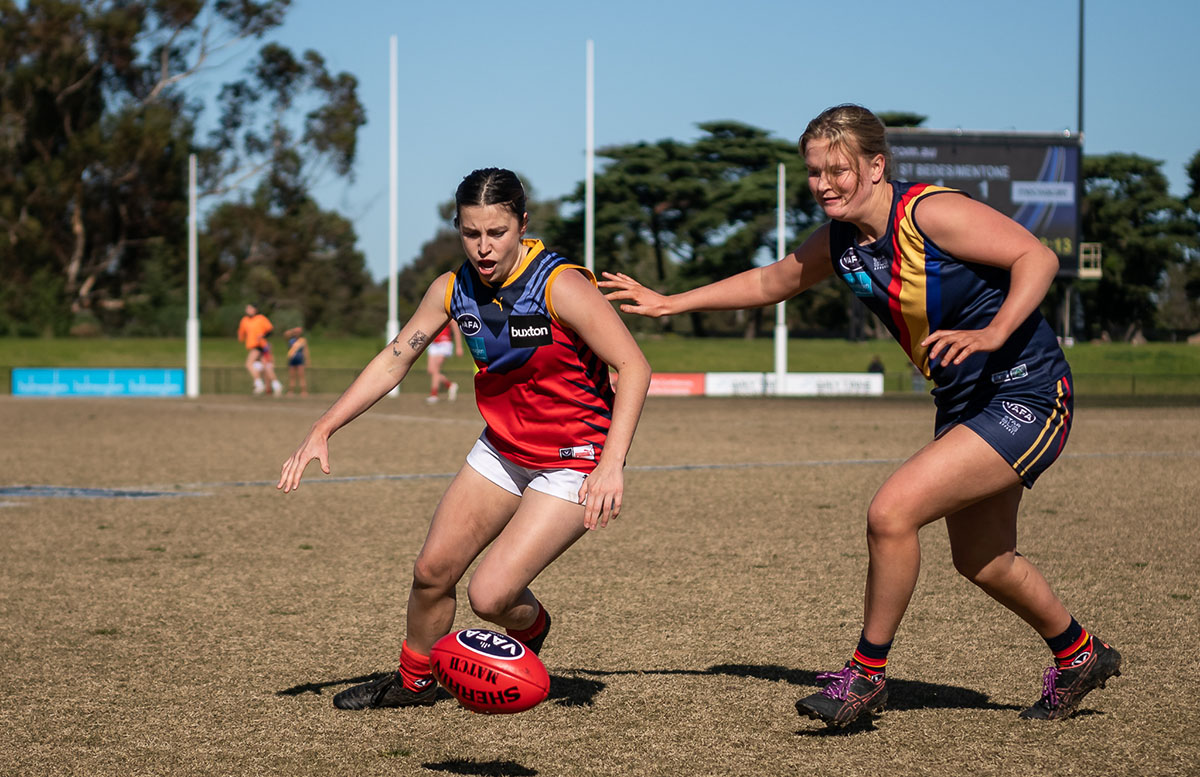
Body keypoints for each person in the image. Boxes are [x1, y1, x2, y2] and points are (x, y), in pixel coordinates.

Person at [600, 104, 1120, 727]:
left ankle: (866, 677)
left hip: (1028, 391)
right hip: (963, 403)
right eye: (815, 172)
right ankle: (1080, 655)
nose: (823, 184)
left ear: (876, 166)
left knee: (891, 513)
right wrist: (667, 304)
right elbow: (774, 281)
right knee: (983, 559)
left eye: (837, 170)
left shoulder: (929, 212)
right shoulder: (842, 239)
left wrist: (993, 332)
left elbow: (1036, 257)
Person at [277, 167, 652, 711]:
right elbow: (395, 358)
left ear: (522, 224)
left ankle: (533, 629)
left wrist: (611, 465)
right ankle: (414, 684)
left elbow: (634, 367)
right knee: (432, 572)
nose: (483, 247)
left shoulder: (561, 285)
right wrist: (323, 426)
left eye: (496, 232)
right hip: (502, 450)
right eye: (470, 233)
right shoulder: (452, 290)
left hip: (574, 460)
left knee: (490, 597)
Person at [237, 304, 283, 396]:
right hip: (253, 345)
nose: (248, 310)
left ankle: (259, 383)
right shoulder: (244, 320)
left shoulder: (260, 318)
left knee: (249, 363)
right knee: (266, 366)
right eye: (247, 308)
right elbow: (241, 334)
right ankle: (277, 385)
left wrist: (263, 336)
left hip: (260, 345)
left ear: (255, 309)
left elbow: (270, 330)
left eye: (250, 308)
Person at [424, 319, 463, 403]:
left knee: (436, 370)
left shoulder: (449, 317)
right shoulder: (433, 314)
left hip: (444, 344)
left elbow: (456, 332)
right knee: (431, 370)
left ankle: (434, 395)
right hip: (434, 344)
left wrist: (459, 347)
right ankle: (450, 385)